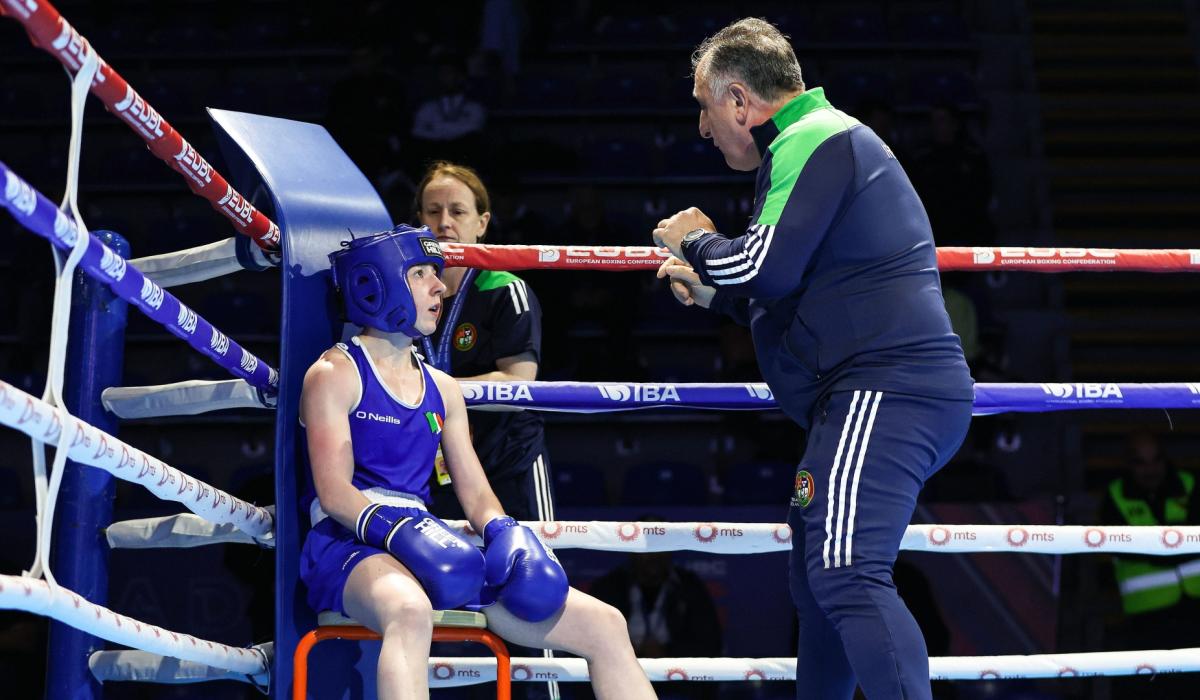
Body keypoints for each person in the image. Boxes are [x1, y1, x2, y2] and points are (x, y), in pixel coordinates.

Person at [652, 18, 974, 700]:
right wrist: (714, 295)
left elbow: (762, 266)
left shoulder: (814, 137)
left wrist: (698, 242)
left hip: (885, 389)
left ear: (740, 100)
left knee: (847, 573)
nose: (705, 130)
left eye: (707, 110)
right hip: (862, 396)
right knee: (818, 579)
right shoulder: (806, 148)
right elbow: (791, 290)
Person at [299, 225, 655, 700]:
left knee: (605, 624)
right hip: (347, 541)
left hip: (425, 540)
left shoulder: (444, 388)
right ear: (376, 281)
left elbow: (475, 491)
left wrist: (504, 530)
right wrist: (396, 531)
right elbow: (333, 490)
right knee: (408, 610)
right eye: (420, 272)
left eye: (437, 273)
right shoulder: (334, 372)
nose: (439, 287)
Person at [414, 161, 560, 700]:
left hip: (509, 464)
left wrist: (432, 387)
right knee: (440, 612)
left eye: (457, 211)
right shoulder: (407, 294)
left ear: (483, 223)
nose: (444, 222)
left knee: (530, 603)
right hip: (437, 470)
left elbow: (519, 379)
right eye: (432, 212)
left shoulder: (504, 287)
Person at [1101, 431, 1200, 700]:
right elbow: (1124, 548)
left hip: (1196, 610)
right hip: (1146, 617)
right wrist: (1179, 540)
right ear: (1127, 464)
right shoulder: (1114, 496)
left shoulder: (1189, 484)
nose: (1150, 469)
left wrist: (1151, 542)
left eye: (1156, 460)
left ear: (1166, 460)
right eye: (1140, 462)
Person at [589, 535, 723, 700]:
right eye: (647, 548)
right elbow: (590, 639)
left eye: (660, 547)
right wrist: (626, 653)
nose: (653, 555)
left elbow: (709, 642)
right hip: (619, 669)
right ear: (632, 552)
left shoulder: (690, 587)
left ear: (670, 553)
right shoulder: (608, 587)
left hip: (677, 675)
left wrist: (667, 652)